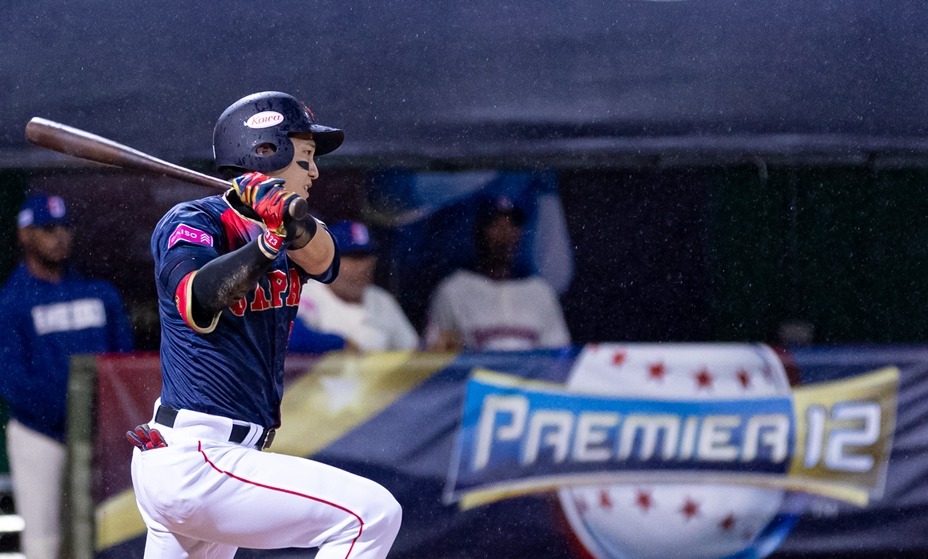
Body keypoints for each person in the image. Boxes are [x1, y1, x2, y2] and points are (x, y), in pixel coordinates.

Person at [126, 91, 402, 558]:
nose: (314, 171)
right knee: (373, 515)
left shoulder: (294, 230)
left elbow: (325, 258)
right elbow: (200, 299)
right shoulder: (192, 219)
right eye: (306, 157)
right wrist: (266, 240)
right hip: (198, 457)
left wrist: (282, 224)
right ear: (266, 151)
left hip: (223, 459)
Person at [0, 193, 135, 559]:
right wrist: (70, 416)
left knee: (110, 529)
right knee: (44, 540)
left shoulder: (100, 293)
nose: (59, 236)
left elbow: (123, 365)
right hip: (39, 434)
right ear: (25, 235)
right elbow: (12, 380)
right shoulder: (11, 301)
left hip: (101, 435)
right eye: (47, 228)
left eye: (64, 227)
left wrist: (97, 420)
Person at [425, 195, 571, 351]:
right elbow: (435, 355)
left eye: (513, 223)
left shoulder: (540, 292)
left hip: (528, 376)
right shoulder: (453, 290)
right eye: (494, 224)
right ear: (479, 231)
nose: (505, 233)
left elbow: (558, 358)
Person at [292, 219, 419, 353]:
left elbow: (413, 352)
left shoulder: (381, 300)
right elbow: (287, 337)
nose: (360, 268)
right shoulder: (305, 293)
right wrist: (339, 345)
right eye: (351, 257)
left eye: (364, 256)